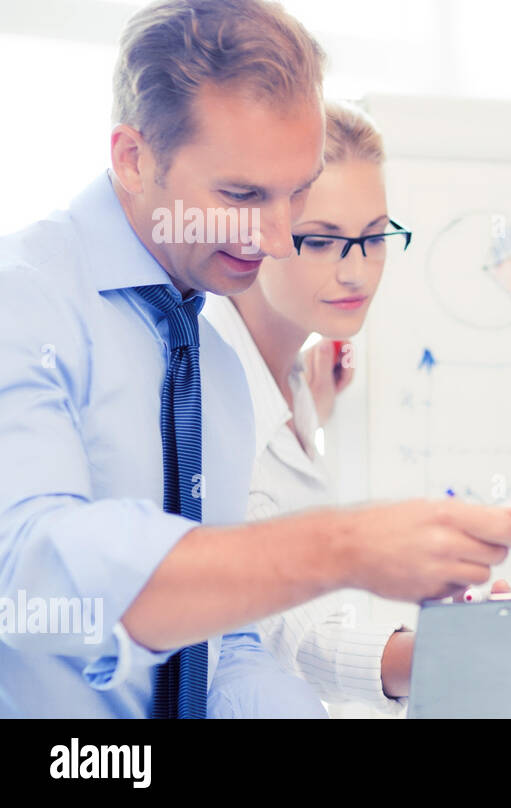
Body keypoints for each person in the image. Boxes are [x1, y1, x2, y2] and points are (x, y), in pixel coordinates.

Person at [0, 0, 511, 719]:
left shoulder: (212, 366)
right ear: (133, 158)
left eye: (297, 191)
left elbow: (219, 647)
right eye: (242, 195)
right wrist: (343, 546)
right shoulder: (21, 297)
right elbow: (33, 577)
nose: (277, 237)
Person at [203, 100, 420, 713]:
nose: (358, 272)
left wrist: (309, 415)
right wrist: (436, 659)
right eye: (321, 241)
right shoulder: (206, 400)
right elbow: (279, 626)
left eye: (374, 237)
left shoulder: (293, 374)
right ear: (260, 230)